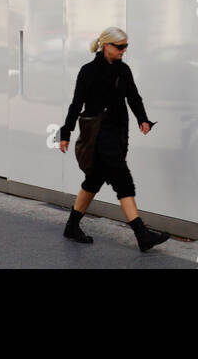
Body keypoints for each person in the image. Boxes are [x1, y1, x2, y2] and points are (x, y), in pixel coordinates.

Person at [59, 26, 170, 253]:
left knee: (94, 180)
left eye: (126, 46)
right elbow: (76, 104)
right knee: (123, 179)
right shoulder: (88, 71)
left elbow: (134, 97)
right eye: (120, 47)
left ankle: (71, 225)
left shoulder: (124, 70)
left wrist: (143, 119)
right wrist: (66, 133)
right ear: (106, 45)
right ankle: (142, 235)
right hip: (99, 134)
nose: (124, 50)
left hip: (119, 132)